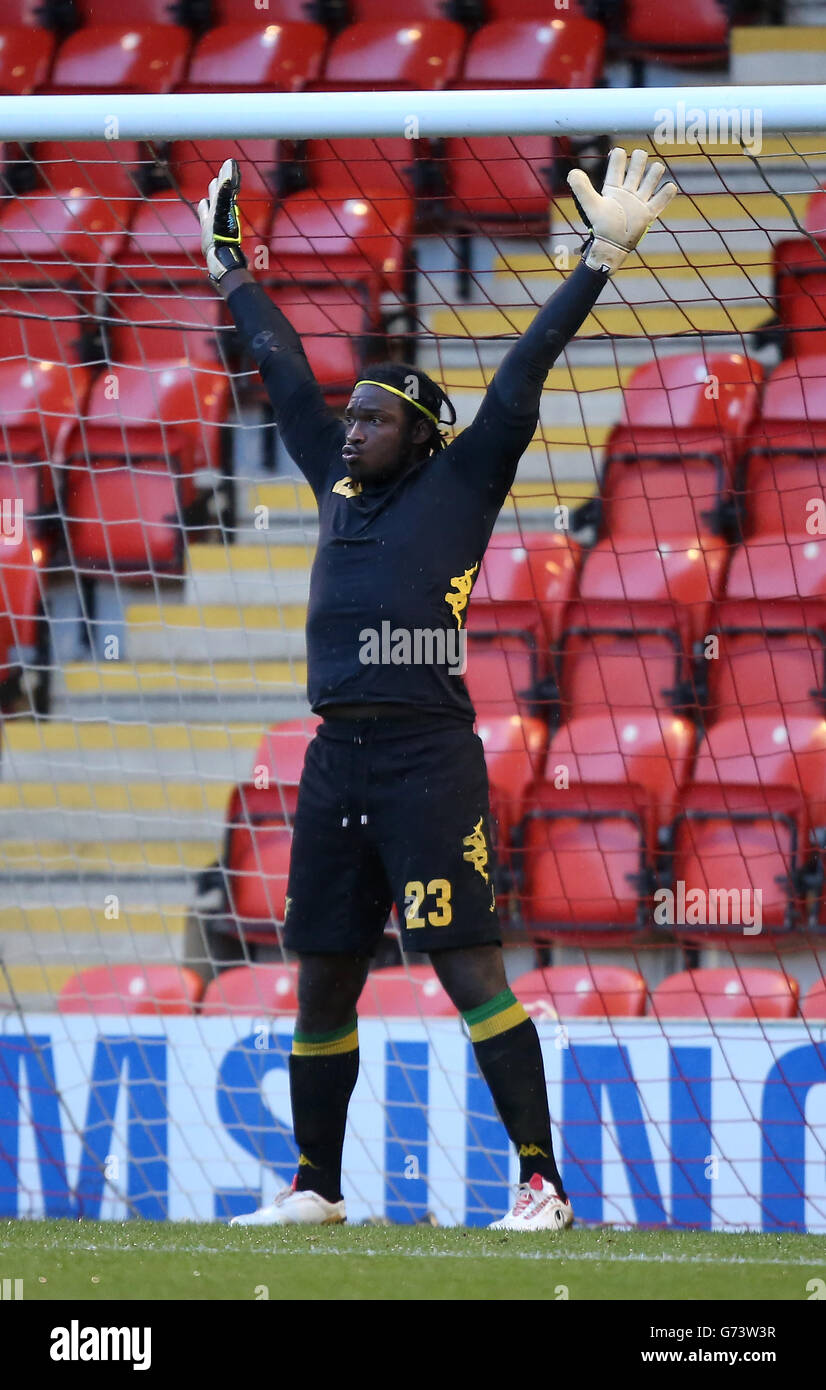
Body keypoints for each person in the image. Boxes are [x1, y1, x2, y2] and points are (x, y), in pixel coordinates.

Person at [197, 147, 677, 1230]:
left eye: (372, 419)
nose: (349, 428)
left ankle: (541, 1184)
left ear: (421, 436)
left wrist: (595, 260)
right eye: (350, 417)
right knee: (323, 976)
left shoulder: (462, 479)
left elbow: (518, 376)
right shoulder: (338, 482)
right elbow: (278, 369)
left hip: (427, 756)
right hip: (335, 757)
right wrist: (232, 272)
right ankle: (317, 1187)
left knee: (465, 967)